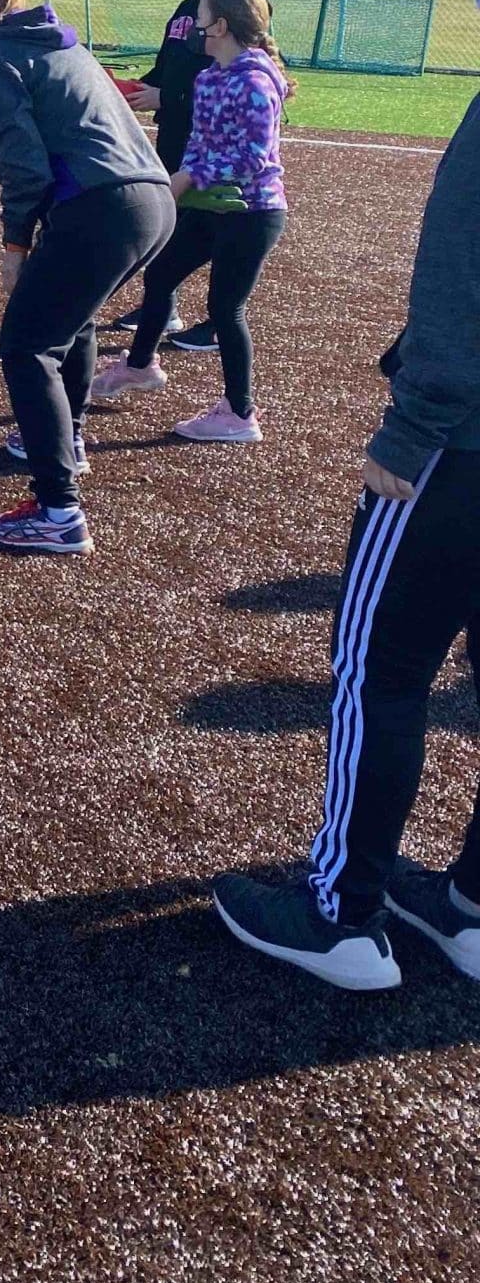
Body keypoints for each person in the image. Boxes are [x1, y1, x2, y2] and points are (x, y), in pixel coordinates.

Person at [212, 88, 480, 990]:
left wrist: (415, 426)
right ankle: (469, 908)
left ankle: (341, 918)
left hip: (462, 451)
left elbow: (459, 270)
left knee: (384, 672)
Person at [0, 0, 173, 554]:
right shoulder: (56, 42)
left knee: (26, 345)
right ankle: (72, 440)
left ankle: (58, 510)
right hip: (151, 201)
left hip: (102, 209)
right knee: (74, 323)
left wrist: (15, 244)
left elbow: (24, 166)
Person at [92, 0, 290, 443]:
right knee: (160, 276)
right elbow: (201, 143)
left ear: (220, 25)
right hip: (207, 204)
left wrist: (187, 178)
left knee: (226, 308)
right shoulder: (210, 77)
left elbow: (253, 158)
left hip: (251, 212)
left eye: (200, 15)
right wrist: (180, 181)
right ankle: (140, 366)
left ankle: (240, 414)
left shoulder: (256, 81)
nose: (192, 24)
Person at [114, 0, 259, 345]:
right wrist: (139, 89)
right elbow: (170, 65)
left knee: (216, 223)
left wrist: (170, 97)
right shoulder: (187, 8)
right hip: (177, 132)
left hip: (215, 140)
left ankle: (223, 320)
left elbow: (228, 81)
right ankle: (163, 303)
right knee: (171, 216)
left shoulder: (245, 8)